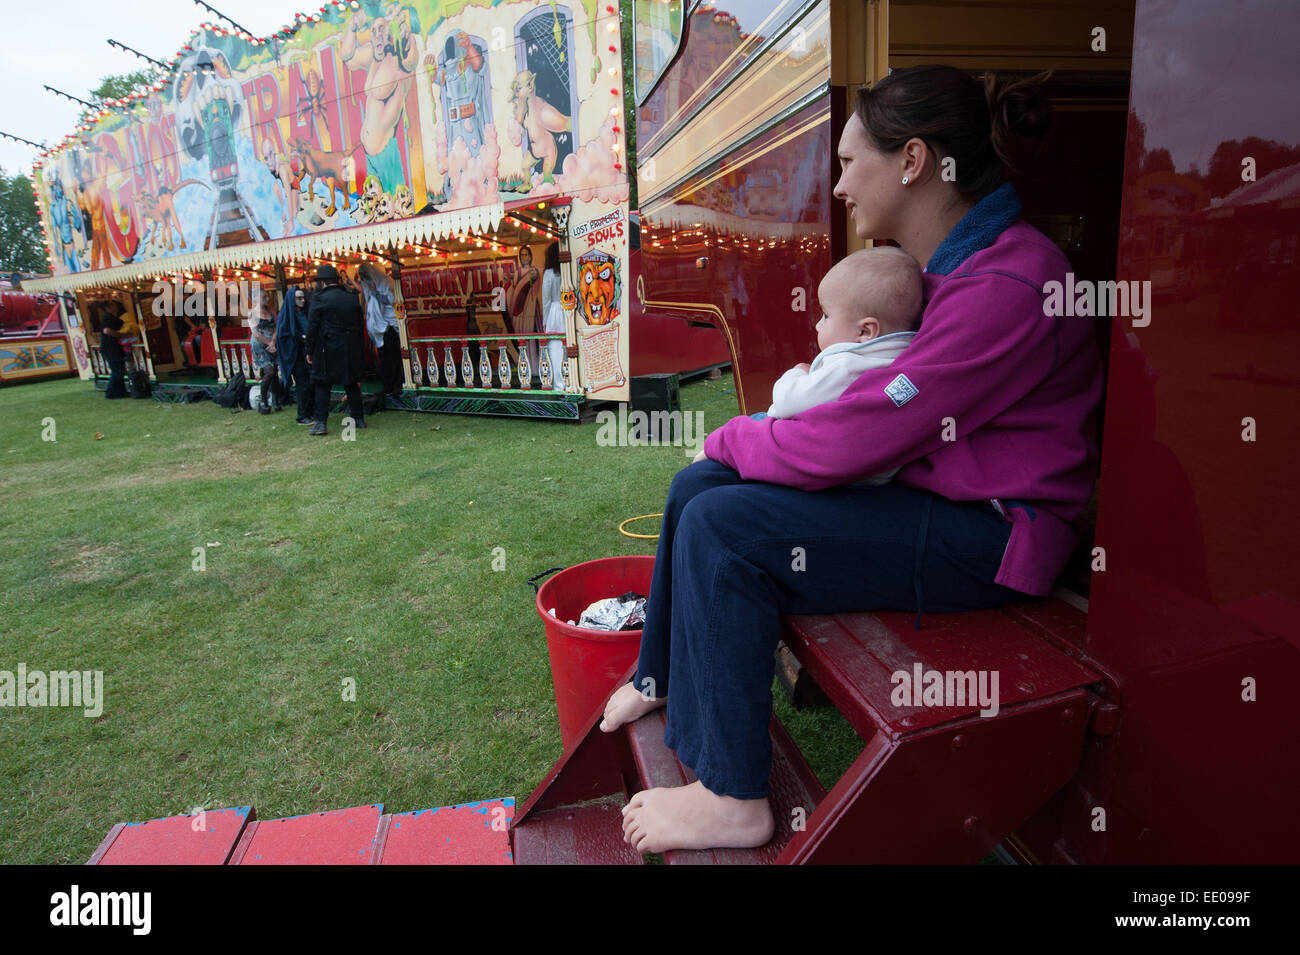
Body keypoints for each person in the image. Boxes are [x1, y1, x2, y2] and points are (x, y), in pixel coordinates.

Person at [601, 65, 1103, 855]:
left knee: (726, 524)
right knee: (697, 484)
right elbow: (867, 418)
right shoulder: (955, 268)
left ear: (911, 162)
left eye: (847, 161)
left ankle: (733, 796)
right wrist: (732, 449)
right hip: (939, 504)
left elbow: (866, 434)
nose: (838, 186)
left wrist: (735, 435)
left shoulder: (1012, 281)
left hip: (993, 536)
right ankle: (655, 673)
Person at [764, 248, 922, 482]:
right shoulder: (908, 354)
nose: (818, 325)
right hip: (878, 473)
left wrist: (796, 373)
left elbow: (787, 402)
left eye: (826, 315)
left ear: (865, 331)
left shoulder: (848, 367)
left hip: (831, 470)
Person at [305, 265, 366, 435]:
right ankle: (358, 419)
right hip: (350, 347)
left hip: (327, 348)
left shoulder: (319, 299)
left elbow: (312, 327)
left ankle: (320, 423)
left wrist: (309, 350)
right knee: (351, 383)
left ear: (322, 282)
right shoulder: (350, 297)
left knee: (323, 386)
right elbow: (359, 325)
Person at [358, 262, 403, 397]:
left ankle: (397, 385)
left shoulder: (385, 281)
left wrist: (375, 293)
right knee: (384, 360)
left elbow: (392, 300)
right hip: (378, 330)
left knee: (394, 358)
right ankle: (388, 385)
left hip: (389, 327)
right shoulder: (368, 285)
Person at [278, 285, 315, 424]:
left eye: (303, 297)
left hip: (306, 352)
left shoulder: (304, 313)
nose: (303, 301)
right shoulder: (286, 315)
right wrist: (300, 337)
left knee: (310, 383)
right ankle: (303, 415)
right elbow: (283, 335)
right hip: (295, 355)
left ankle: (309, 412)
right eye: (299, 298)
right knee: (303, 384)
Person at [248, 294, 282, 414]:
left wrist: (273, 341)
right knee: (269, 371)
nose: (267, 298)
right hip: (260, 345)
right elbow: (256, 333)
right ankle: (263, 400)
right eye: (264, 297)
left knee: (275, 373)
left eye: (267, 296)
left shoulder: (271, 312)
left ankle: (275, 400)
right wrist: (269, 343)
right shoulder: (252, 313)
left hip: (272, 342)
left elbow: (277, 327)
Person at [540, 243, 567, 389]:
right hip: (568, 309)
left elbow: (546, 300)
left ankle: (559, 384)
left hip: (554, 312)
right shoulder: (566, 270)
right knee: (569, 347)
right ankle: (570, 381)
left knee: (555, 349)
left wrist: (545, 321)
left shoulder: (549, 273)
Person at [98, 310, 129, 399]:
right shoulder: (109, 318)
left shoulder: (109, 317)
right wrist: (120, 335)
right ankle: (111, 393)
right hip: (111, 348)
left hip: (111, 348)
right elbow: (107, 330)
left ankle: (120, 392)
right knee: (117, 370)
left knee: (119, 370)